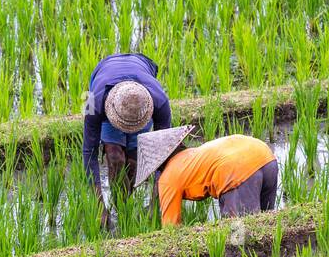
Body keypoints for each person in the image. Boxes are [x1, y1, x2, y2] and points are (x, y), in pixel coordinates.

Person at [82, 53, 171, 229]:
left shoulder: (159, 101)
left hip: (140, 88)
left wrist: (157, 201)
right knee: (114, 157)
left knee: (132, 162)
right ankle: (118, 205)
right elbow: (88, 151)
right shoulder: (91, 99)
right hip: (103, 82)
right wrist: (99, 203)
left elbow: (164, 153)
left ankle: (125, 205)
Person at [135, 126, 278, 226]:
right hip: (266, 156)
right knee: (266, 226)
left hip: (237, 170)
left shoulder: (167, 179)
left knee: (239, 235)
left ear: (154, 165)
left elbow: (171, 228)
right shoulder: (194, 154)